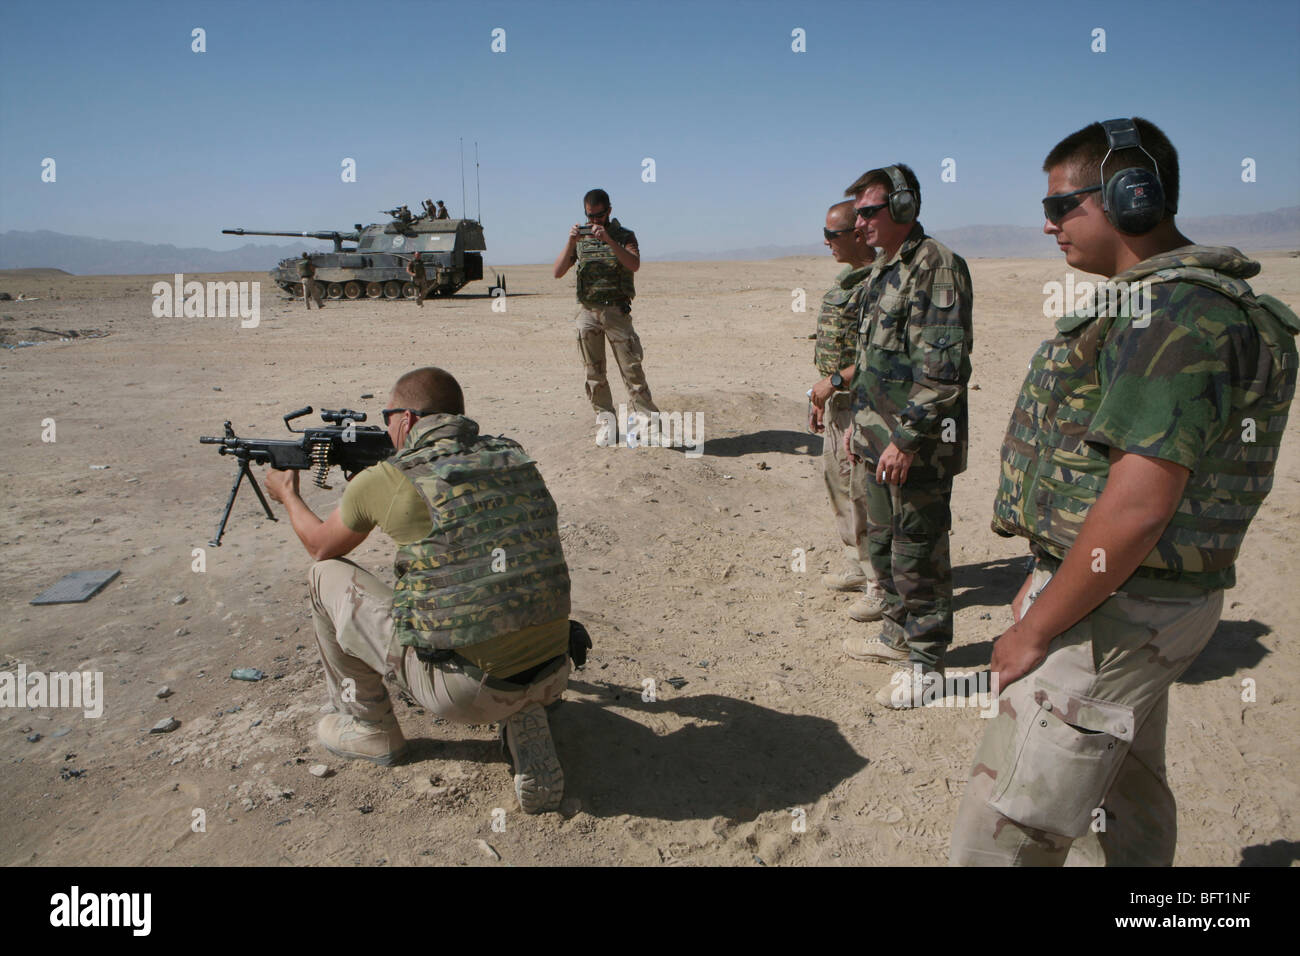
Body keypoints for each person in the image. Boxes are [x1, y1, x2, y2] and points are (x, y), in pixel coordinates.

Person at [949, 118, 1298, 865]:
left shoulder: (1176, 314)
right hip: (1142, 600)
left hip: (1122, 607)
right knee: (1125, 785)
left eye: (1064, 206)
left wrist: (1039, 625)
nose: (1048, 226)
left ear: (1133, 198)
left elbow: (1139, 506)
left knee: (1005, 824)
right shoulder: (1166, 303)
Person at [262, 367, 579, 814]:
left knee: (325, 576)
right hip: (555, 668)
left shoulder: (390, 478)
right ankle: (522, 708)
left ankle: (371, 729)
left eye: (388, 416)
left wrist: (288, 495)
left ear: (407, 420)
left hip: (465, 693)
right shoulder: (512, 454)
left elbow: (319, 546)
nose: (387, 428)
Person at [838, 164, 974, 708]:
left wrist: (904, 439)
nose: (860, 223)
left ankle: (928, 662)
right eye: (857, 215)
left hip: (916, 445)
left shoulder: (935, 267)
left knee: (918, 549)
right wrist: (863, 429)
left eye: (869, 212)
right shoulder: (882, 269)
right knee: (883, 541)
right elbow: (874, 363)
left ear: (902, 207)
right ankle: (897, 634)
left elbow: (942, 373)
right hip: (878, 438)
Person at [806, 199, 884, 622]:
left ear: (857, 234)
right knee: (838, 481)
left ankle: (879, 583)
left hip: (865, 400)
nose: (825, 242)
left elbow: (878, 354)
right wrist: (824, 394)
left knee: (863, 490)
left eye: (832, 235)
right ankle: (858, 560)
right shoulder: (847, 281)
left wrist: (835, 384)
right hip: (839, 399)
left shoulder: (880, 282)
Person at [553, 188, 659, 420]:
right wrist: (571, 243)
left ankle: (648, 423)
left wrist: (609, 240)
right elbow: (558, 272)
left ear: (609, 211)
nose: (593, 221)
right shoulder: (581, 240)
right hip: (587, 312)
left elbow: (634, 264)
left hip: (616, 312)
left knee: (632, 371)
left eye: (598, 216)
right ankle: (606, 422)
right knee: (594, 374)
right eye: (589, 216)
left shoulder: (624, 236)